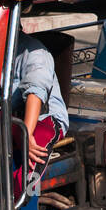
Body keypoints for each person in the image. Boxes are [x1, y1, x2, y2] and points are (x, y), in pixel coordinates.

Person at [10, 27, 69, 198]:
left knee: (35, 157)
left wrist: (26, 135)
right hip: (10, 116)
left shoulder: (36, 54)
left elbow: (35, 93)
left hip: (44, 118)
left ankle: (20, 197)